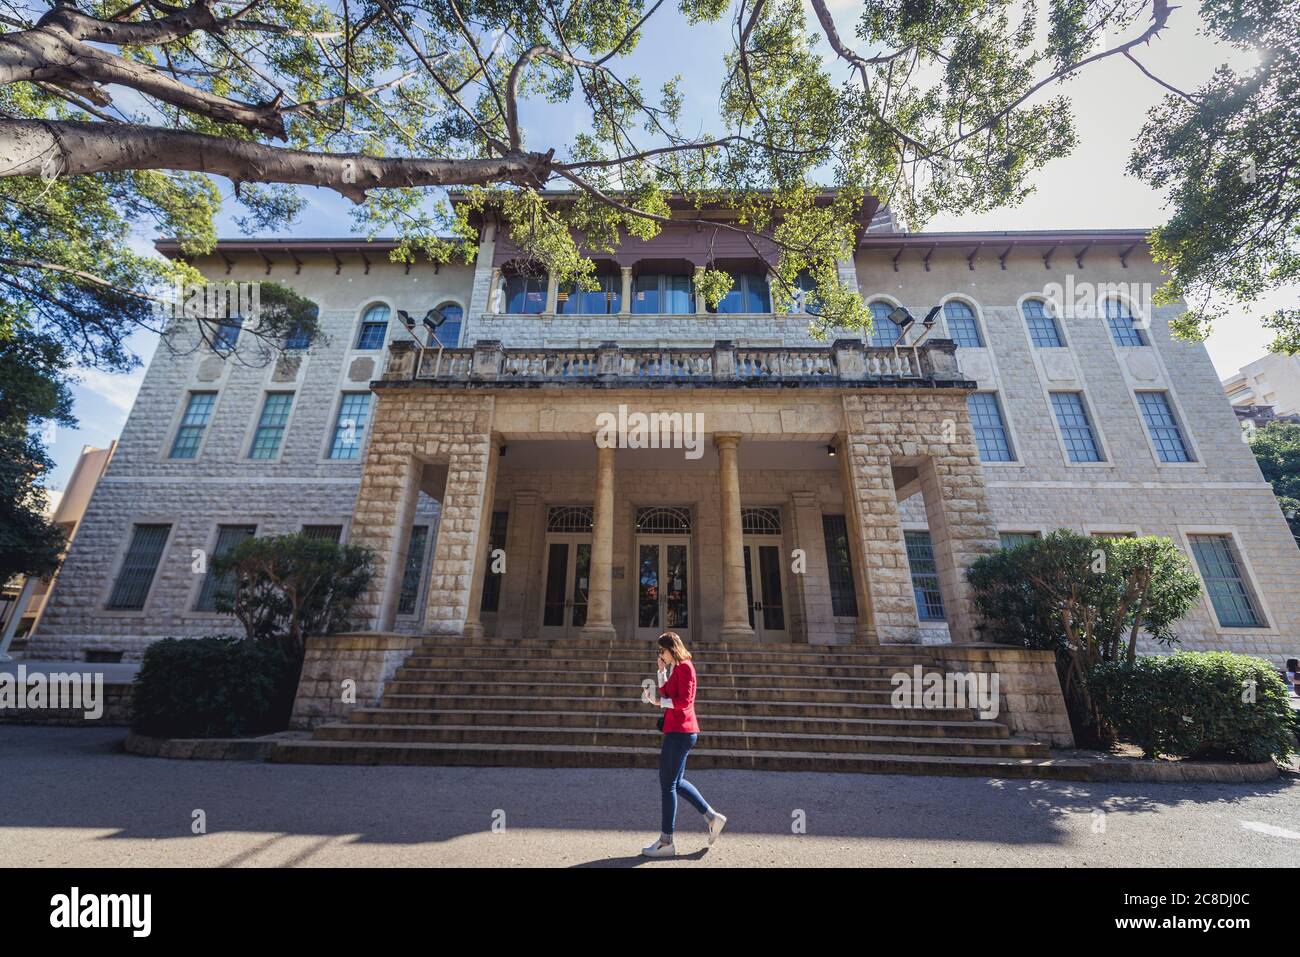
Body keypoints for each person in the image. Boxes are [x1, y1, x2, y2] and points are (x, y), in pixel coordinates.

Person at [640, 631, 726, 857]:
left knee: (667, 784)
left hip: (681, 731)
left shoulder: (686, 667)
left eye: (662, 651)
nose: (661, 654)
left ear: (671, 649)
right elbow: (667, 692)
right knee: (675, 783)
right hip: (677, 731)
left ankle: (666, 842)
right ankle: (712, 818)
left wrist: (660, 702)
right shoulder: (677, 668)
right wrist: (661, 672)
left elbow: (684, 702)